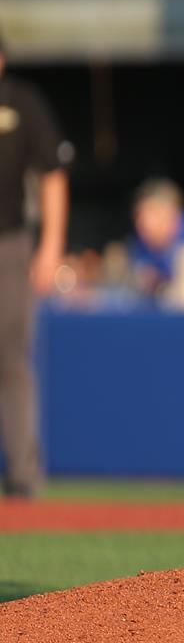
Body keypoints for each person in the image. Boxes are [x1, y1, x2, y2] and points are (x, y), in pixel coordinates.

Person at [0, 33, 70, 499]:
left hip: (8, 243)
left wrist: (51, 246)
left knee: (10, 358)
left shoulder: (21, 102)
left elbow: (52, 173)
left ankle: (23, 474)